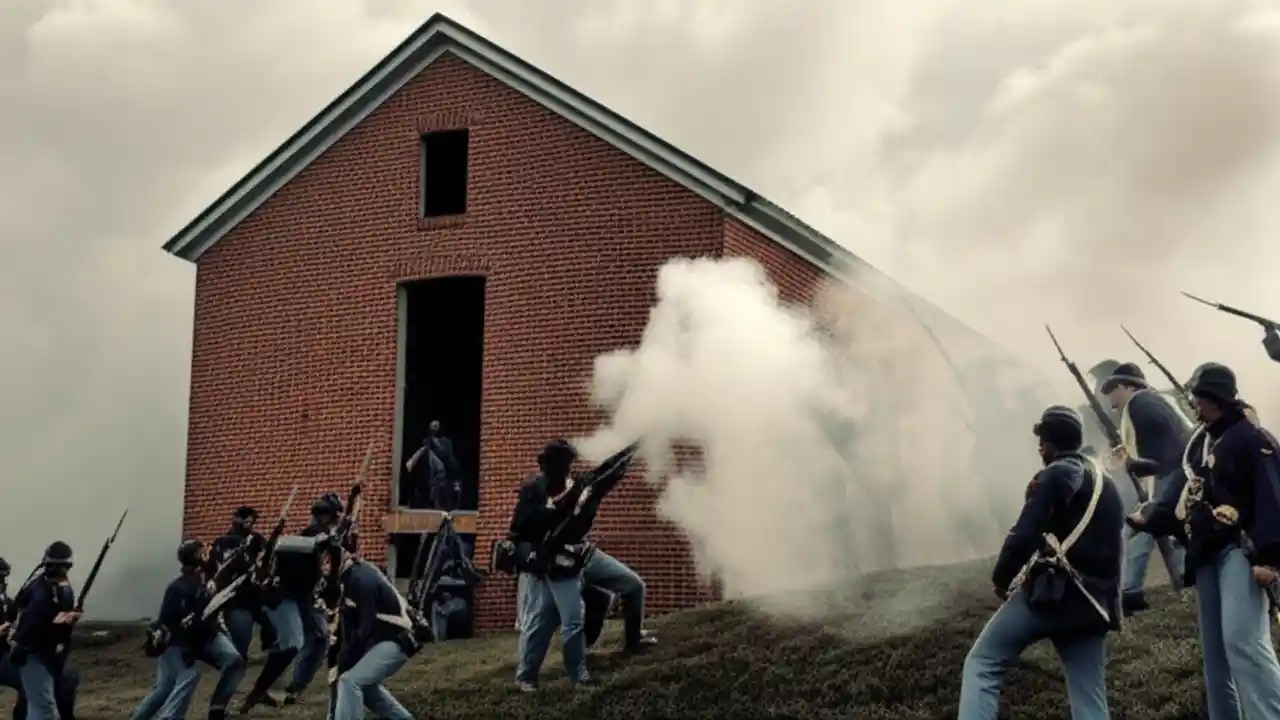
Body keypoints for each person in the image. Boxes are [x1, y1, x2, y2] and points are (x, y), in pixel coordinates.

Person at [1130, 362, 1280, 719]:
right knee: (1216, 655)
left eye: (1196, 395)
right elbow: (1186, 492)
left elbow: (1271, 496)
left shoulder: (1252, 437)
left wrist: (1270, 558)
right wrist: (1152, 515)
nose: (1192, 402)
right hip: (1206, 551)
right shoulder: (1202, 440)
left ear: (1212, 397)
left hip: (1242, 550)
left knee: (1243, 643)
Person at [958, 406, 1124, 719]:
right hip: (1093, 604)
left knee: (983, 664)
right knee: (1089, 699)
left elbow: (1025, 533)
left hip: (1053, 594)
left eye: (1042, 443)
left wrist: (1001, 579)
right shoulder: (1108, 485)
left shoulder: (1057, 473)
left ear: (1047, 445)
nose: (1039, 449)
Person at [1098, 362, 1191, 614]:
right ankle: (1183, 578)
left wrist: (1138, 464)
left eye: (1113, 388)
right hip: (1175, 470)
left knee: (1142, 527)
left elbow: (1164, 449)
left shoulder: (1141, 404)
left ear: (1128, 386)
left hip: (1172, 472)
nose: (1109, 396)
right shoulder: (1151, 402)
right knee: (1164, 527)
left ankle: (1130, 592)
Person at [239, 494, 341, 711]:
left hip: (301, 600)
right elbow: (326, 545)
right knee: (292, 643)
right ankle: (258, 691)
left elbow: (333, 552)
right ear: (325, 519)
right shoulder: (306, 541)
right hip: (282, 599)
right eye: (332, 520)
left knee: (319, 637)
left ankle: (290, 688)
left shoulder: (315, 541)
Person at [510, 439, 592, 692]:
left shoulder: (569, 488)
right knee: (564, 620)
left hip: (563, 561)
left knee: (551, 620)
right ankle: (572, 676)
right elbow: (520, 526)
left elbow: (578, 524)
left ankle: (531, 676)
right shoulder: (534, 489)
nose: (569, 469)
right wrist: (558, 507)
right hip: (543, 561)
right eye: (565, 464)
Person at [131, 539, 245, 720]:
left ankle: (217, 708)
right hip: (179, 641)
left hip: (206, 635)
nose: (208, 553)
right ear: (196, 557)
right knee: (169, 686)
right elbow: (170, 623)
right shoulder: (179, 587)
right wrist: (186, 648)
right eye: (203, 552)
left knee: (234, 661)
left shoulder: (208, 576)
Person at [326, 538, 417, 720]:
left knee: (350, 682)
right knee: (364, 688)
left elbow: (367, 626)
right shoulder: (349, 578)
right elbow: (352, 628)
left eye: (326, 562)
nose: (323, 569)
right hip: (380, 639)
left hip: (396, 640)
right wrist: (341, 662)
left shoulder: (361, 578)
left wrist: (344, 662)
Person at [8, 542, 81, 720]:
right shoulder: (44, 593)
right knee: (45, 711)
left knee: (40, 707)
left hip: (37, 655)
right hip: (33, 655)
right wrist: (63, 622)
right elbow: (34, 626)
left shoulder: (40, 585)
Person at [207, 507, 275, 660]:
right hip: (234, 594)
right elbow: (213, 566)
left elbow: (266, 559)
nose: (250, 524)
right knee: (241, 631)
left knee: (269, 618)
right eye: (248, 521)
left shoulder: (255, 539)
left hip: (251, 591)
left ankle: (268, 646)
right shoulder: (224, 542)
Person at [581, 551, 657, 654]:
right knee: (634, 586)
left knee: (601, 597)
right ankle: (634, 642)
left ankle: (581, 649)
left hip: (574, 555)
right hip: (574, 556)